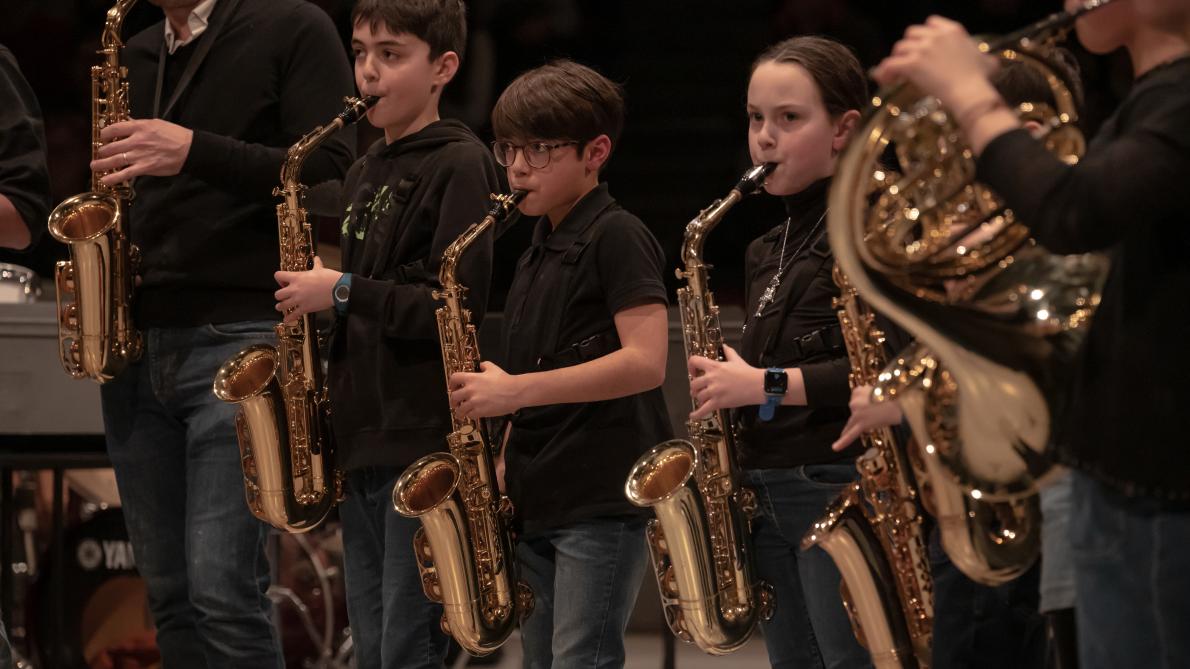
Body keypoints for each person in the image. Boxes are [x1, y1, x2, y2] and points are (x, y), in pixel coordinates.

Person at [869, 1, 1190, 666]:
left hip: (1155, 492)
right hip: (1126, 482)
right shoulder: (1151, 101)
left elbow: (1074, 212)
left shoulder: (1179, 101)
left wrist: (969, 96)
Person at [89, 1, 355, 665]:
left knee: (221, 590)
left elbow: (332, 170)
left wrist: (191, 150)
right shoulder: (137, 48)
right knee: (169, 593)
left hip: (239, 336)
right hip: (136, 339)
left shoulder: (293, 26)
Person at [273, 1, 506, 666]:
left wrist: (339, 289)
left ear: (443, 67)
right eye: (360, 52)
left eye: (390, 55)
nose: (368, 72)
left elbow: (451, 308)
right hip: (361, 436)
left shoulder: (460, 163)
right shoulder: (362, 170)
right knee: (371, 645)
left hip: (422, 437)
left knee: (406, 644)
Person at [447, 59, 671, 668]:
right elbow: (539, 367)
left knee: (581, 659)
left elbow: (647, 363)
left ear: (595, 151)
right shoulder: (535, 248)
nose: (517, 166)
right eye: (509, 148)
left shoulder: (617, 235)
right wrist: (499, 459)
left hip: (597, 495)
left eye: (539, 149)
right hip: (538, 491)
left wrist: (514, 392)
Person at [685, 35, 872, 668]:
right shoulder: (765, 245)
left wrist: (759, 386)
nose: (765, 136)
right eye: (756, 118)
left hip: (834, 481)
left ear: (844, 129)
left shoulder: (868, 228)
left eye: (789, 119)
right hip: (763, 480)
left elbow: (881, 371)